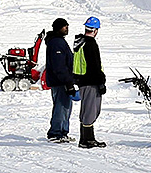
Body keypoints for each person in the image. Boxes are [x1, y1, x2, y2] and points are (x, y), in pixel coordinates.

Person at [72, 17, 107, 148]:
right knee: (91, 110)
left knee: (86, 110)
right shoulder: (90, 44)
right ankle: (87, 140)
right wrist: (101, 83)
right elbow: (95, 65)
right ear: (96, 30)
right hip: (91, 82)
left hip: (81, 81)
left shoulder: (79, 43)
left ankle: (85, 139)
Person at [40, 17, 74, 142]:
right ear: (58, 28)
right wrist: (67, 81)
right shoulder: (56, 43)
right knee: (60, 107)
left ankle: (63, 132)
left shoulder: (60, 41)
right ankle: (55, 133)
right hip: (60, 81)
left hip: (63, 80)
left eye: (67, 26)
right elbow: (58, 65)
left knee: (66, 107)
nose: (67, 28)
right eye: (64, 26)